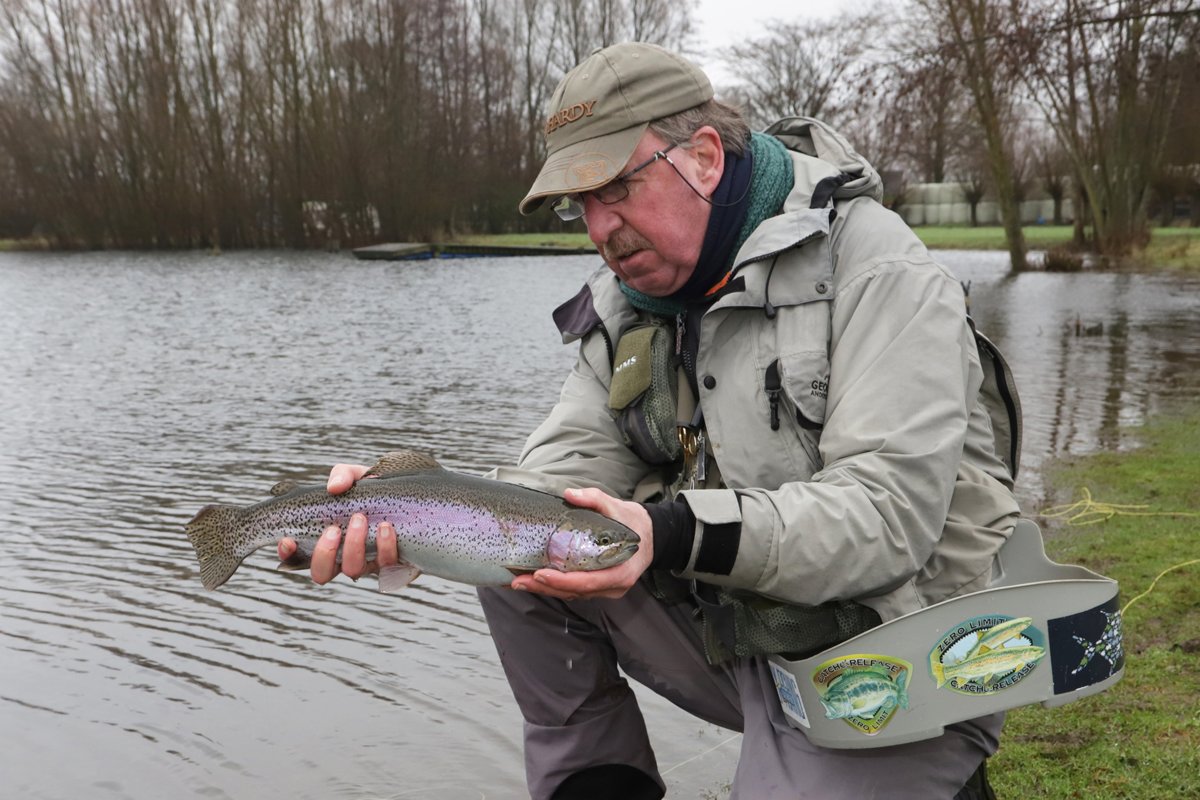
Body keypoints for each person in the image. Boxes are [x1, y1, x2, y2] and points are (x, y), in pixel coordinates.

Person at [281, 42, 1019, 800]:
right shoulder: (629, 303)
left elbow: (886, 519)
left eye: (617, 188)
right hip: (748, 636)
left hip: (906, 655)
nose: (600, 228)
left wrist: (669, 533)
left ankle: (933, 776)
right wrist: (395, 514)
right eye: (581, 204)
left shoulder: (880, 269)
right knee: (520, 550)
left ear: (703, 158)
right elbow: (558, 472)